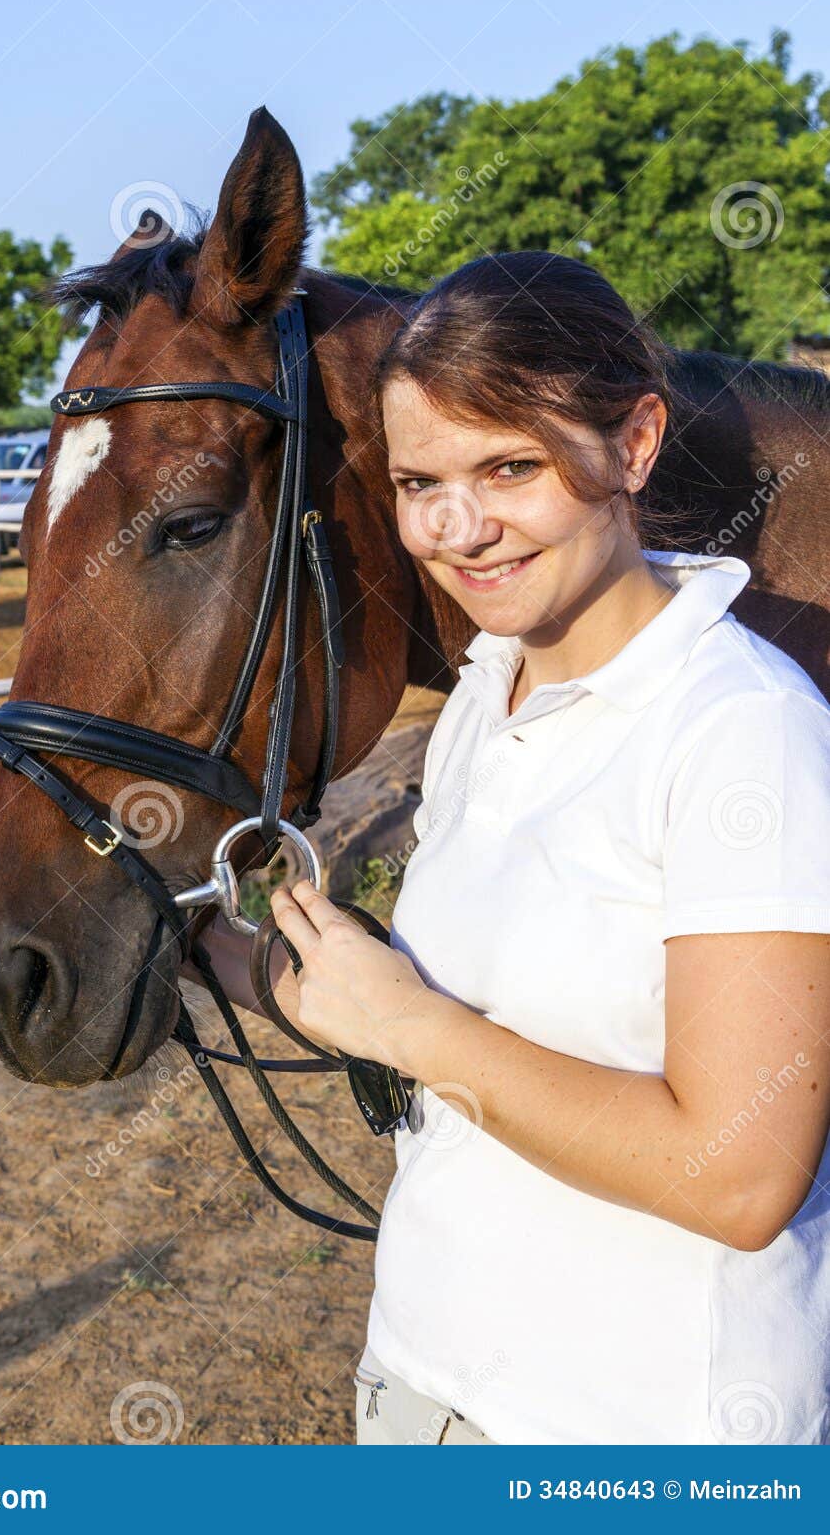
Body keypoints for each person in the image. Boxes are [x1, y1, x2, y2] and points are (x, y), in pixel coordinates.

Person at [262, 252, 830, 1446]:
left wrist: (401, 1025)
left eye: (507, 467)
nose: (456, 528)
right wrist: (228, 946)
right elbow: (468, 1025)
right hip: (420, 1390)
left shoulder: (743, 730)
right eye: (420, 481)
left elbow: (736, 1178)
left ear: (631, 445)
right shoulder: (486, 688)